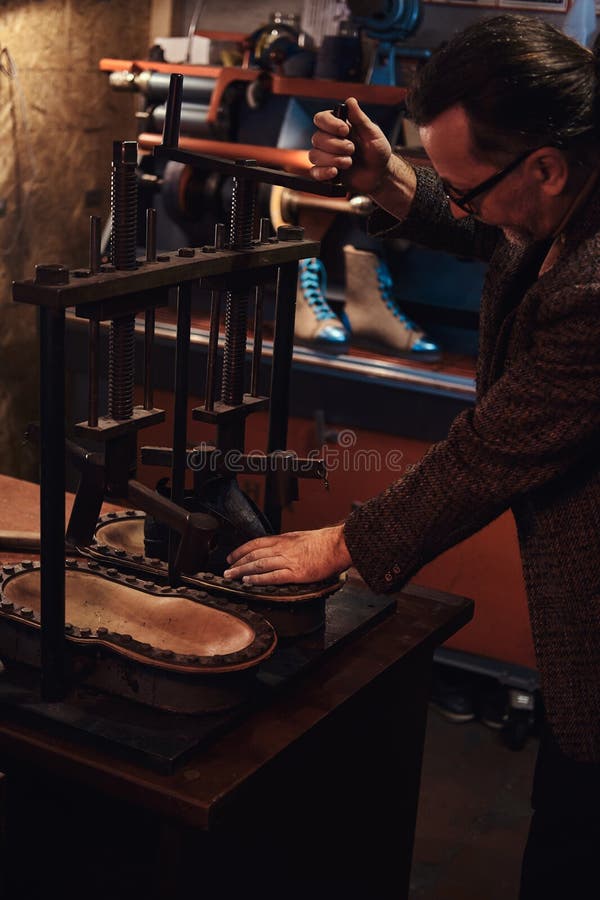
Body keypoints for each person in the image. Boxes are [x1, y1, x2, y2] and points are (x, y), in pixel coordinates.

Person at [223, 15, 600, 897]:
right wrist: (393, 180)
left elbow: (489, 453)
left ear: (544, 164)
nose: (459, 204)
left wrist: (345, 543)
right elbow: (492, 227)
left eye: (463, 187)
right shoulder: (567, 185)